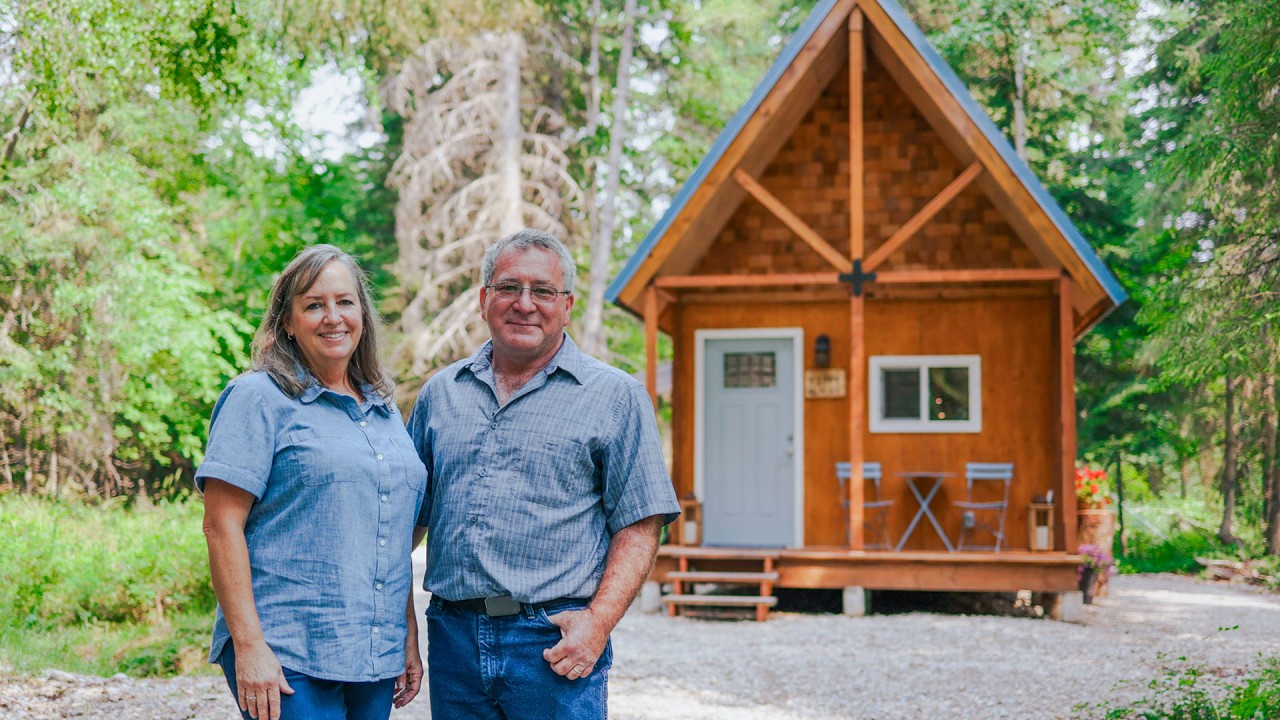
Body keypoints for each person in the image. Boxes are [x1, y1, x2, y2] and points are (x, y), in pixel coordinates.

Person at [407, 228, 680, 719]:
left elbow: (640, 525)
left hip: (553, 640)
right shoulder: (439, 395)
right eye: (509, 287)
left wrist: (597, 624)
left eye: (543, 291)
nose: (524, 304)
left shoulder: (614, 396)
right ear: (485, 298)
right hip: (453, 637)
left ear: (567, 304)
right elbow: (405, 522)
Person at [198, 245, 427, 720]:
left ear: (362, 312)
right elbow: (221, 526)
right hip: (288, 649)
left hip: (372, 654)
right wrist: (249, 645)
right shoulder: (257, 398)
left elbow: (389, 534)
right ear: (287, 321)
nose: (333, 317)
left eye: (345, 302)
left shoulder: (382, 411)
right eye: (313, 304)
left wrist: (406, 631)